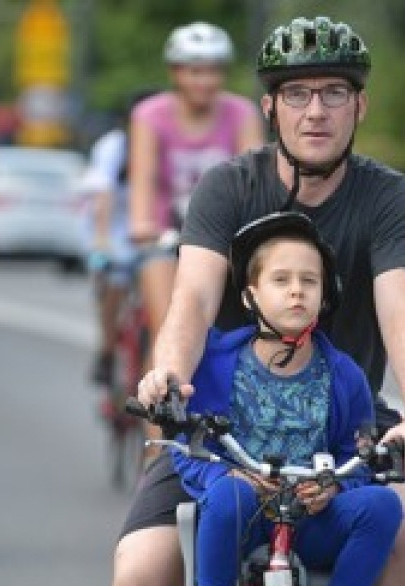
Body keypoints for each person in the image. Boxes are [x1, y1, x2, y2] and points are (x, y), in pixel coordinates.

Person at [108, 17, 405, 586]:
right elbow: (190, 298)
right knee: (142, 571)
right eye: (297, 93)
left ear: (361, 105)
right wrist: (168, 374)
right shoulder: (227, 186)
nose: (315, 110)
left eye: (334, 93)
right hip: (218, 427)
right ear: (270, 106)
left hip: (341, 431)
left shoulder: (387, 196)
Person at [179, 212, 402, 586]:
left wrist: (336, 484)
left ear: (325, 294)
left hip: (310, 518)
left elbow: (358, 455)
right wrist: (225, 478)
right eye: (281, 281)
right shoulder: (212, 363)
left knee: (382, 505)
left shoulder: (344, 375)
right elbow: (185, 446)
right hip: (240, 517)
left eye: (309, 281)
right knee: (229, 497)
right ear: (250, 296)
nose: (296, 291)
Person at [127, 22, 264, 362]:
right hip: (165, 234)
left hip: (224, 238)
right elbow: (142, 176)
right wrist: (142, 224)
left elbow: (256, 181)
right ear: (176, 72)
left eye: (214, 71)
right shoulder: (149, 115)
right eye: (195, 71)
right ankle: (157, 413)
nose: (205, 81)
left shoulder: (242, 113)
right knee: (170, 333)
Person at [85, 90, 159, 386]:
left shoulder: (167, 141)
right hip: (116, 228)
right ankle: (106, 350)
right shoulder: (113, 147)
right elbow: (103, 196)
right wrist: (102, 241)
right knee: (114, 283)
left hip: (157, 231)